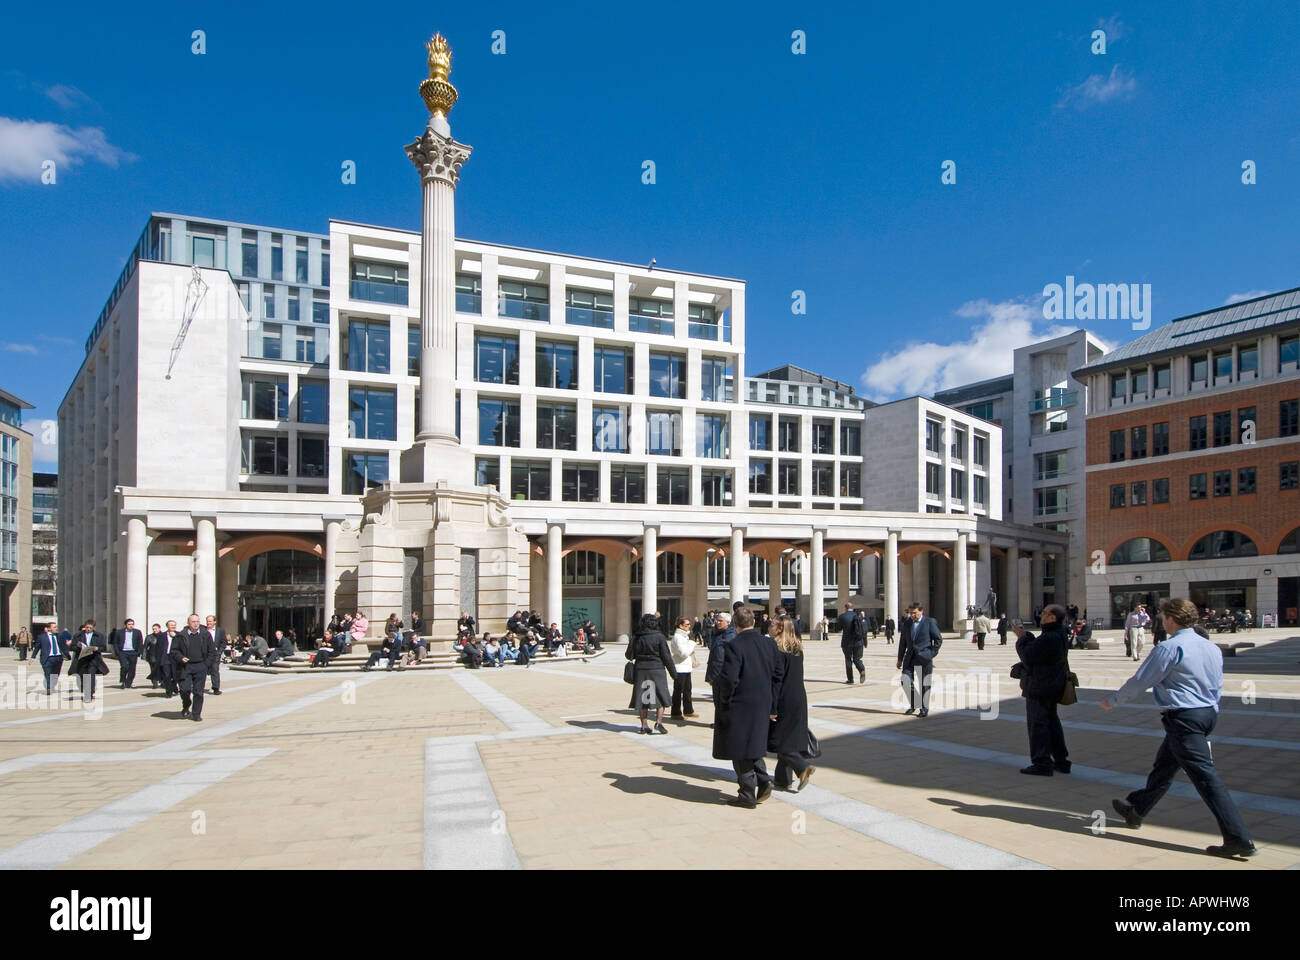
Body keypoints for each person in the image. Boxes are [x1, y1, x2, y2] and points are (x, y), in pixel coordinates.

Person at [1102, 598, 1256, 859]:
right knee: (1164, 767)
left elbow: (1141, 680)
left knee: (1206, 778)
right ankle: (1136, 809)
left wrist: (1113, 701)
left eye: (1163, 617)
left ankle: (1238, 837)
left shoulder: (1169, 647)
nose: (1161, 622)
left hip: (1184, 718)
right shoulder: (1210, 647)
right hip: (1206, 714)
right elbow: (1216, 685)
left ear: (1171, 619)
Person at [713, 607, 782, 808]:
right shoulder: (769, 644)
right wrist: (773, 703)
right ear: (754, 622)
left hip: (740, 703)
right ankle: (762, 780)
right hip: (763, 701)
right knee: (754, 743)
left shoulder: (735, 645)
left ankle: (747, 793)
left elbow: (729, 679)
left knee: (739, 748)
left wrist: (724, 701)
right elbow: (778, 674)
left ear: (735, 624)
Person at [1011, 604, 1071, 776]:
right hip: (1053, 685)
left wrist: (1021, 638)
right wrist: (1027, 636)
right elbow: (1039, 649)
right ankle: (1061, 761)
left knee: (1038, 725)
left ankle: (1042, 762)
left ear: (1052, 618)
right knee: (1052, 723)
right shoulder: (1057, 633)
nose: (1041, 615)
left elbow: (1028, 656)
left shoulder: (1050, 637)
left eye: (1045, 613)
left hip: (1040, 686)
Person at [770, 617, 815, 793]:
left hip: (784, 698)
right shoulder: (797, 648)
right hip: (798, 696)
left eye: (773, 624)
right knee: (789, 738)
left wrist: (772, 707)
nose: (769, 626)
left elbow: (777, 680)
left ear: (780, 628)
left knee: (780, 739)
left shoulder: (778, 649)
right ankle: (782, 779)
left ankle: (802, 767)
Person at [626, 614, 678, 735]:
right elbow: (667, 657)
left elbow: (628, 655)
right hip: (657, 668)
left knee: (642, 696)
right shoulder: (659, 637)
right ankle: (659, 722)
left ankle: (644, 725)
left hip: (641, 669)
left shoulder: (636, 637)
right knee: (660, 694)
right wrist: (674, 674)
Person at [896, 603, 942, 717]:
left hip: (924, 658)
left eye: (914, 613)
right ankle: (915, 703)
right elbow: (903, 643)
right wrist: (900, 659)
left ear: (921, 611)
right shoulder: (907, 623)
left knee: (924, 684)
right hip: (910, 657)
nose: (912, 615)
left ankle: (924, 709)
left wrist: (930, 654)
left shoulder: (929, 622)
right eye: (910, 613)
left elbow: (938, 640)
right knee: (905, 680)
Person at [173, 614, 214, 721]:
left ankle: (196, 714)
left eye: (197, 621)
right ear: (188, 623)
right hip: (186, 666)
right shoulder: (181, 635)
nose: (196, 624)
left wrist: (206, 664)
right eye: (193, 622)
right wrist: (181, 657)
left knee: (198, 692)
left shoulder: (205, 635)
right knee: (184, 689)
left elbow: (211, 651)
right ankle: (186, 704)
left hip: (200, 666)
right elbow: (174, 650)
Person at [69, 620, 108, 702]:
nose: (88, 629)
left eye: (90, 628)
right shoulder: (78, 635)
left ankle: (88, 695)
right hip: (82, 659)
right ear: (85, 626)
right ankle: (86, 690)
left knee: (91, 676)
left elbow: (103, 647)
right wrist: (78, 647)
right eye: (87, 627)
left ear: (93, 627)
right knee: (82, 676)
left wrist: (97, 648)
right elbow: (72, 647)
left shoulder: (99, 636)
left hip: (93, 659)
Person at [669, 616, 697, 722]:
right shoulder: (678, 637)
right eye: (687, 625)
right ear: (680, 626)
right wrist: (692, 643)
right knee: (678, 691)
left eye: (689, 624)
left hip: (686, 667)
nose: (689, 626)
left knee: (687, 690)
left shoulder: (685, 636)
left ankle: (688, 710)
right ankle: (675, 712)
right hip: (680, 667)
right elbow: (683, 653)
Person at [109, 618, 144, 689]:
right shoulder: (119, 632)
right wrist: (117, 652)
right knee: (124, 666)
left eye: (132, 624)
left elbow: (140, 642)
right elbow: (115, 642)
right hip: (123, 652)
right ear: (125, 625)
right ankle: (123, 681)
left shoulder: (137, 632)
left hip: (133, 652)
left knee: (132, 669)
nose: (131, 626)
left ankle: (129, 682)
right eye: (129, 624)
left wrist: (138, 652)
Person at [704, 611, 736, 688]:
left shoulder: (730, 636)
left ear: (728, 622)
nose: (718, 622)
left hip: (723, 675)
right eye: (717, 620)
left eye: (721, 621)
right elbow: (713, 656)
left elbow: (721, 658)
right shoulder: (717, 634)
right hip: (715, 675)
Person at [36, 621, 68, 695]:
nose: (56, 628)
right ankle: (49, 688)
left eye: (56, 627)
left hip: (58, 658)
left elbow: (64, 646)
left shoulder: (59, 636)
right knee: (48, 673)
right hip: (47, 658)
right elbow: (37, 647)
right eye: (54, 627)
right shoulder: (42, 637)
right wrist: (33, 657)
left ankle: (52, 685)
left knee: (56, 674)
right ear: (49, 628)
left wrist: (66, 654)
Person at [837, 603, 865, 685]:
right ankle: (861, 669)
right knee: (857, 659)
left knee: (848, 659)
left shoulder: (842, 616)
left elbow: (838, 628)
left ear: (845, 608)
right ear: (853, 608)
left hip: (847, 642)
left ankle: (850, 679)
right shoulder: (858, 616)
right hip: (858, 641)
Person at [204, 615, 227, 694]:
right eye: (207, 621)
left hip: (215, 654)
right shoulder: (203, 630)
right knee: (202, 671)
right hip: (205, 654)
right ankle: (199, 686)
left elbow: (223, 642)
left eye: (210, 621)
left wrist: (219, 652)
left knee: (214, 670)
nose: (208, 623)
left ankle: (216, 688)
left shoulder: (220, 631)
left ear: (214, 622)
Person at [156, 621, 180, 696]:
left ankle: (173, 686)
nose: (173, 626)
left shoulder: (179, 635)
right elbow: (158, 647)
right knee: (167, 675)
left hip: (175, 657)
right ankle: (168, 692)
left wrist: (175, 636)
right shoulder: (162, 635)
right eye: (171, 625)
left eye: (174, 625)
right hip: (165, 657)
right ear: (167, 626)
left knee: (175, 675)